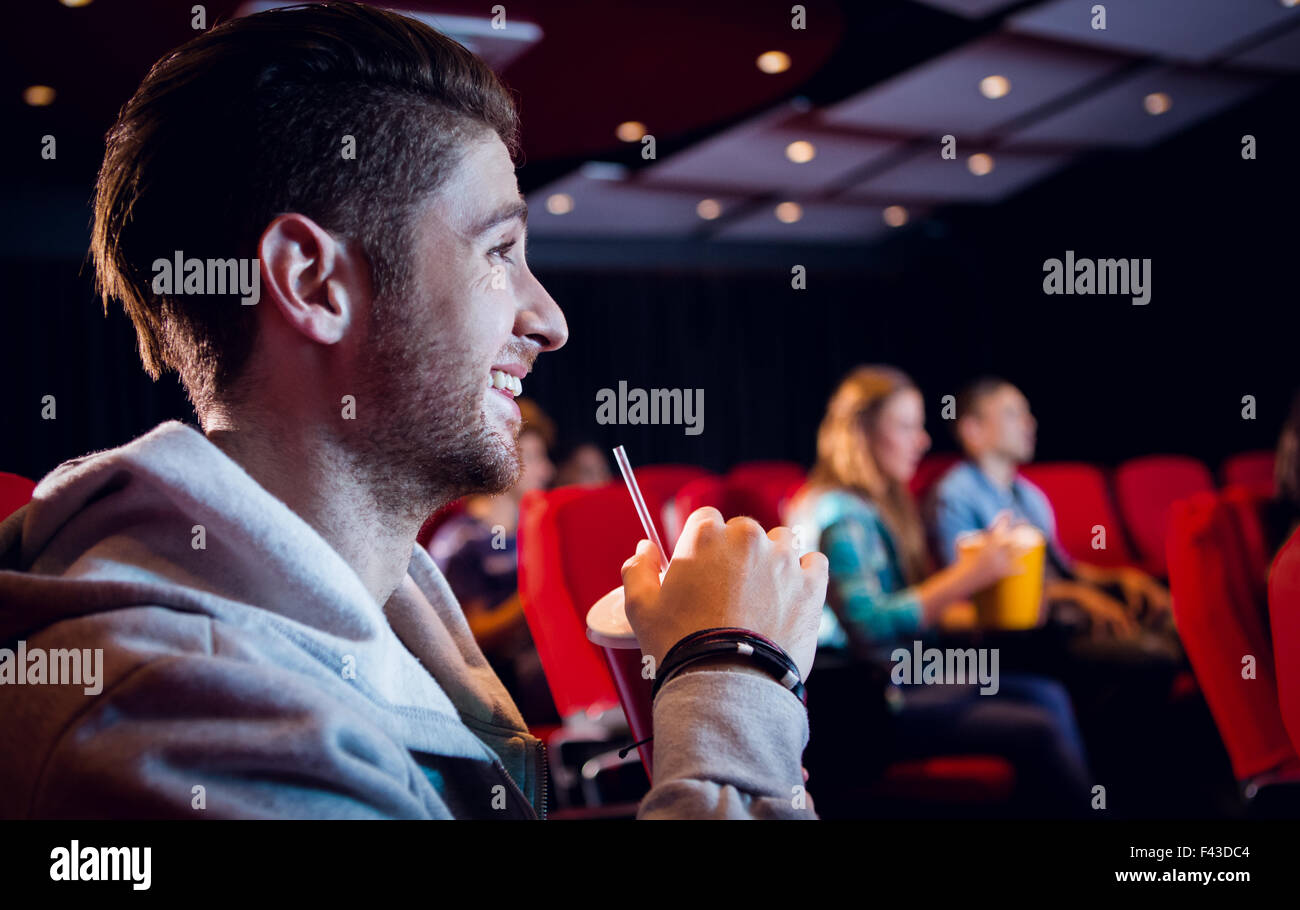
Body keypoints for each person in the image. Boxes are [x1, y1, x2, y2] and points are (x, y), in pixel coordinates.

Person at [0, 2, 826, 820]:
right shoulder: (180, 723)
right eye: (500, 252)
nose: (550, 321)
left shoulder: (388, 603)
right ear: (314, 285)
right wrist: (732, 677)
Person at [785, 366, 1092, 815]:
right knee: (1040, 725)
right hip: (862, 704)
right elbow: (869, 629)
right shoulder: (839, 513)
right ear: (862, 434)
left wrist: (990, 582)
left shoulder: (876, 503)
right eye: (907, 426)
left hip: (906, 678)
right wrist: (971, 575)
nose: (923, 440)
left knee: (1048, 693)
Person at [929, 378, 1169, 639]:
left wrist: (1121, 577)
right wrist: (1076, 595)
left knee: (1166, 621)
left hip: (1061, 611)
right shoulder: (955, 495)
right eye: (1012, 413)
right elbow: (970, 589)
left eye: (1027, 412)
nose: (1029, 423)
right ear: (972, 430)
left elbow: (1061, 568)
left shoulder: (1030, 495)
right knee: (1153, 654)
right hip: (1022, 631)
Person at [427, 398, 558, 724]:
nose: (548, 470)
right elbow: (473, 636)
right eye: (534, 458)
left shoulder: (537, 531)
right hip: (500, 693)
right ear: (501, 460)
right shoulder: (461, 541)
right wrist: (537, 594)